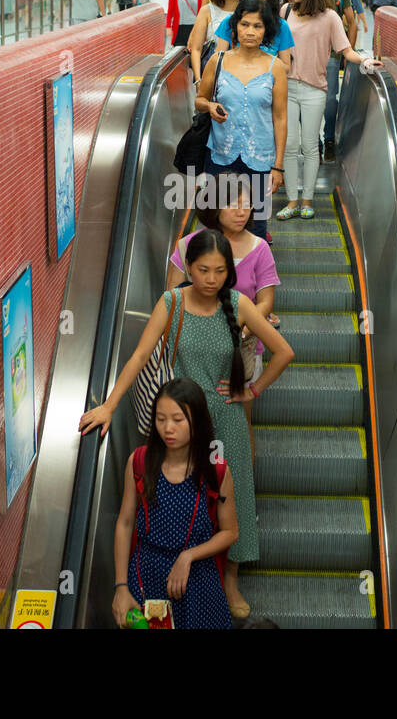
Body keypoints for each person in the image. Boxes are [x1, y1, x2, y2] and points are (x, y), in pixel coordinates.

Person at [82, 230, 294, 618]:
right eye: (202, 270)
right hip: (177, 419)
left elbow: (284, 351)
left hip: (224, 419)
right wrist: (109, 406)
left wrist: (252, 391)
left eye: (219, 270)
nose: (211, 279)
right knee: (177, 497)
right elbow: (140, 355)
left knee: (234, 499)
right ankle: (177, 567)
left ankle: (230, 581)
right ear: (187, 268)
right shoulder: (172, 302)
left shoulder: (238, 303)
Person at [111, 377, 237, 630]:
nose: (168, 428)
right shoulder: (139, 462)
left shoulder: (216, 470)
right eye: (160, 418)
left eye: (178, 420)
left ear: (197, 421)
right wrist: (121, 586)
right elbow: (125, 523)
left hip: (198, 581)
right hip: (146, 577)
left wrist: (188, 556)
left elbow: (230, 532)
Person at [167, 175, 279, 455]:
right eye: (233, 205)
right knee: (192, 428)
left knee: (239, 427)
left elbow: (265, 301)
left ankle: (239, 488)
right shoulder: (189, 246)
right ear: (213, 206)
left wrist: (244, 327)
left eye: (247, 205)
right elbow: (171, 298)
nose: (242, 212)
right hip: (193, 352)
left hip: (240, 351)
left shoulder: (259, 248)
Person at [276, 0, 384, 221]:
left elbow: (346, 51)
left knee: (310, 145)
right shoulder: (285, 11)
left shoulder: (330, 17)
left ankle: (307, 200)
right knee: (290, 146)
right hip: (286, 87)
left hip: (315, 89)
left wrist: (365, 61)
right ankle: (292, 200)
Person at [196, 0, 289, 242]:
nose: (250, 31)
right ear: (235, 26)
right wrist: (210, 105)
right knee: (217, 225)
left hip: (259, 160)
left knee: (255, 227)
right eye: (245, 24)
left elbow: (280, 118)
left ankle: (253, 277)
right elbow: (199, 99)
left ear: (266, 30)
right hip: (220, 156)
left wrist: (278, 166)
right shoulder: (218, 61)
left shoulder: (275, 67)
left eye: (257, 26)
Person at [309, 0, 356, 165]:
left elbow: (352, 22)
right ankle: (314, 143)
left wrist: (348, 52)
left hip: (331, 57)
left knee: (328, 100)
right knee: (306, 102)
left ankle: (328, 138)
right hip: (305, 56)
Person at [189, 0, 246, 81]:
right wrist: (199, 80)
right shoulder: (208, 11)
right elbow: (196, 49)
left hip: (242, 77)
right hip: (214, 76)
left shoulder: (248, 10)